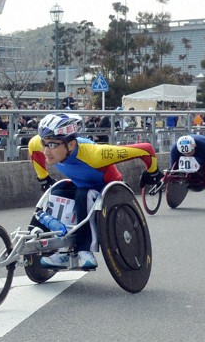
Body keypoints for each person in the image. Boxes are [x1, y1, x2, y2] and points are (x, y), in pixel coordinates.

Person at [29, 114, 160, 270]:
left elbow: (146, 149)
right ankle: (62, 249)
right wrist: (44, 178)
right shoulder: (42, 143)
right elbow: (33, 149)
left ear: (70, 145)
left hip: (108, 189)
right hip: (81, 185)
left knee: (83, 194)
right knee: (58, 191)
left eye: (52, 145)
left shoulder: (96, 154)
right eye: (44, 144)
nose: (46, 151)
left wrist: (152, 172)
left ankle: (85, 251)